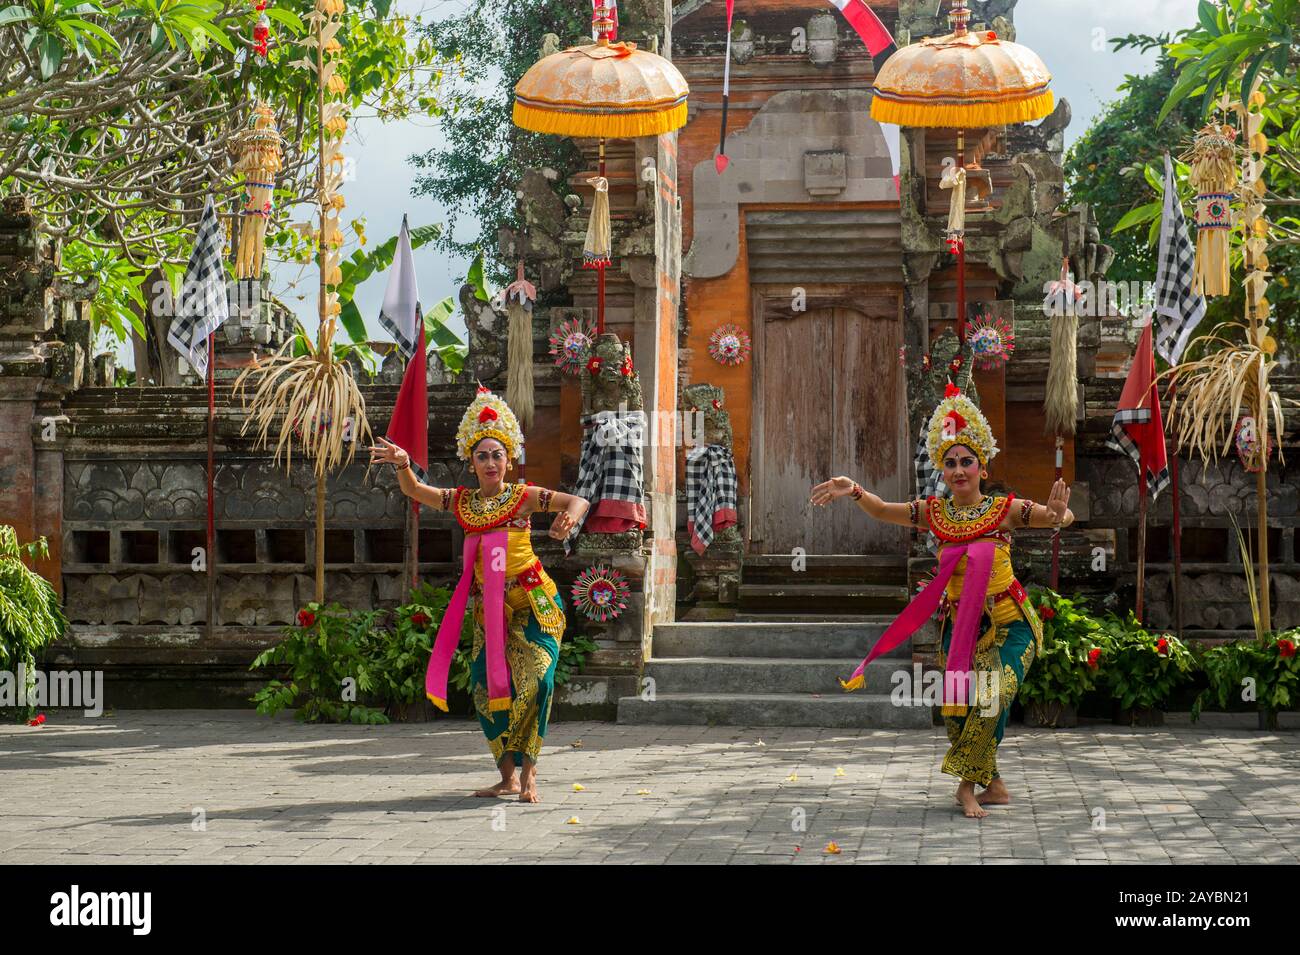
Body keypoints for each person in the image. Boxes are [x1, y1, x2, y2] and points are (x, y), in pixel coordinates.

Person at [810, 383, 1073, 818]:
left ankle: (966, 788)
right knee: (955, 707)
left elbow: (1055, 517)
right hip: (959, 627)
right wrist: (853, 489)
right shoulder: (934, 512)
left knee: (993, 693)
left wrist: (1058, 511)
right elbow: (881, 510)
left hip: (1012, 623)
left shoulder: (1004, 508)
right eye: (950, 463)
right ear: (943, 470)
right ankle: (997, 785)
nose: (958, 470)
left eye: (967, 461)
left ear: (982, 467)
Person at [370, 385, 590, 803]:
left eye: (497, 454)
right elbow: (416, 492)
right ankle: (507, 777)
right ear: (471, 463)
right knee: (486, 690)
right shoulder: (463, 503)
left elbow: (577, 499)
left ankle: (530, 774)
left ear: (509, 459)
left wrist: (568, 520)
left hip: (533, 604)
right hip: (488, 613)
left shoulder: (523, 497)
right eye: (482, 455)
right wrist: (402, 463)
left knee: (539, 683)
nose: (491, 462)